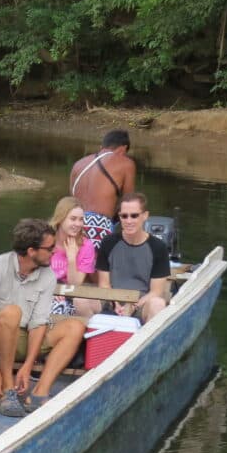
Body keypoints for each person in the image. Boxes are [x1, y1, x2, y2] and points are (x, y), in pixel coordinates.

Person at [0, 218, 87, 416]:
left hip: (22, 339)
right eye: (50, 248)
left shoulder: (48, 275)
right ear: (32, 251)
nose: (54, 252)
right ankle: (8, 391)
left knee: (75, 327)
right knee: (12, 312)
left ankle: (39, 393)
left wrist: (27, 366)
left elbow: (39, 323)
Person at [96, 192, 170, 322]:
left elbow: (156, 291)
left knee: (158, 304)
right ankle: (89, 339)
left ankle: (144, 340)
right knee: (81, 301)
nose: (129, 221)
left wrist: (134, 306)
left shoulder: (158, 247)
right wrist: (115, 304)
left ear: (145, 216)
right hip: (111, 301)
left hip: (141, 303)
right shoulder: (108, 242)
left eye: (134, 216)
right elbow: (104, 284)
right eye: (124, 216)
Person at [69, 129, 136, 245]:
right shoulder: (125, 163)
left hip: (71, 223)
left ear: (102, 146)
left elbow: (71, 198)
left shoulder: (78, 164)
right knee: (98, 263)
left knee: (74, 261)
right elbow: (128, 203)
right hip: (98, 225)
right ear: (124, 148)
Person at [47, 196, 100, 318]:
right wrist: (51, 290)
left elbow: (74, 284)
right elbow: (34, 273)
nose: (78, 224)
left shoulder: (86, 245)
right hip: (47, 291)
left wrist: (71, 259)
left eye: (81, 220)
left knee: (61, 307)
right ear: (60, 219)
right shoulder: (46, 241)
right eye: (73, 219)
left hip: (72, 296)